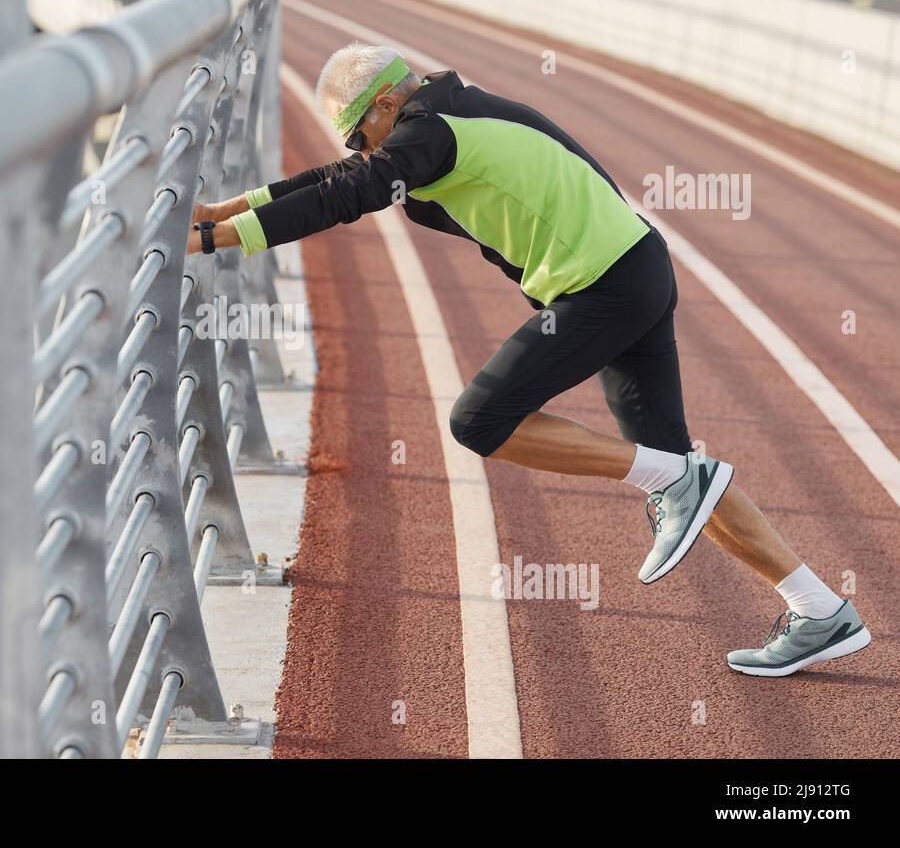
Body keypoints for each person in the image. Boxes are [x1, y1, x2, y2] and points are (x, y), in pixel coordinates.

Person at [188, 41, 870, 677]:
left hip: (602, 286)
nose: (362, 147)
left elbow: (347, 196)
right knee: (685, 475)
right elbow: (341, 176)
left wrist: (216, 243)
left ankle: (675, 479)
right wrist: (224, 210)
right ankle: (820, 610)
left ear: (386, 105)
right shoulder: (447, 112)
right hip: (631, 269)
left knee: (480, 420)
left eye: (360, 132)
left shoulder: (431, 132)